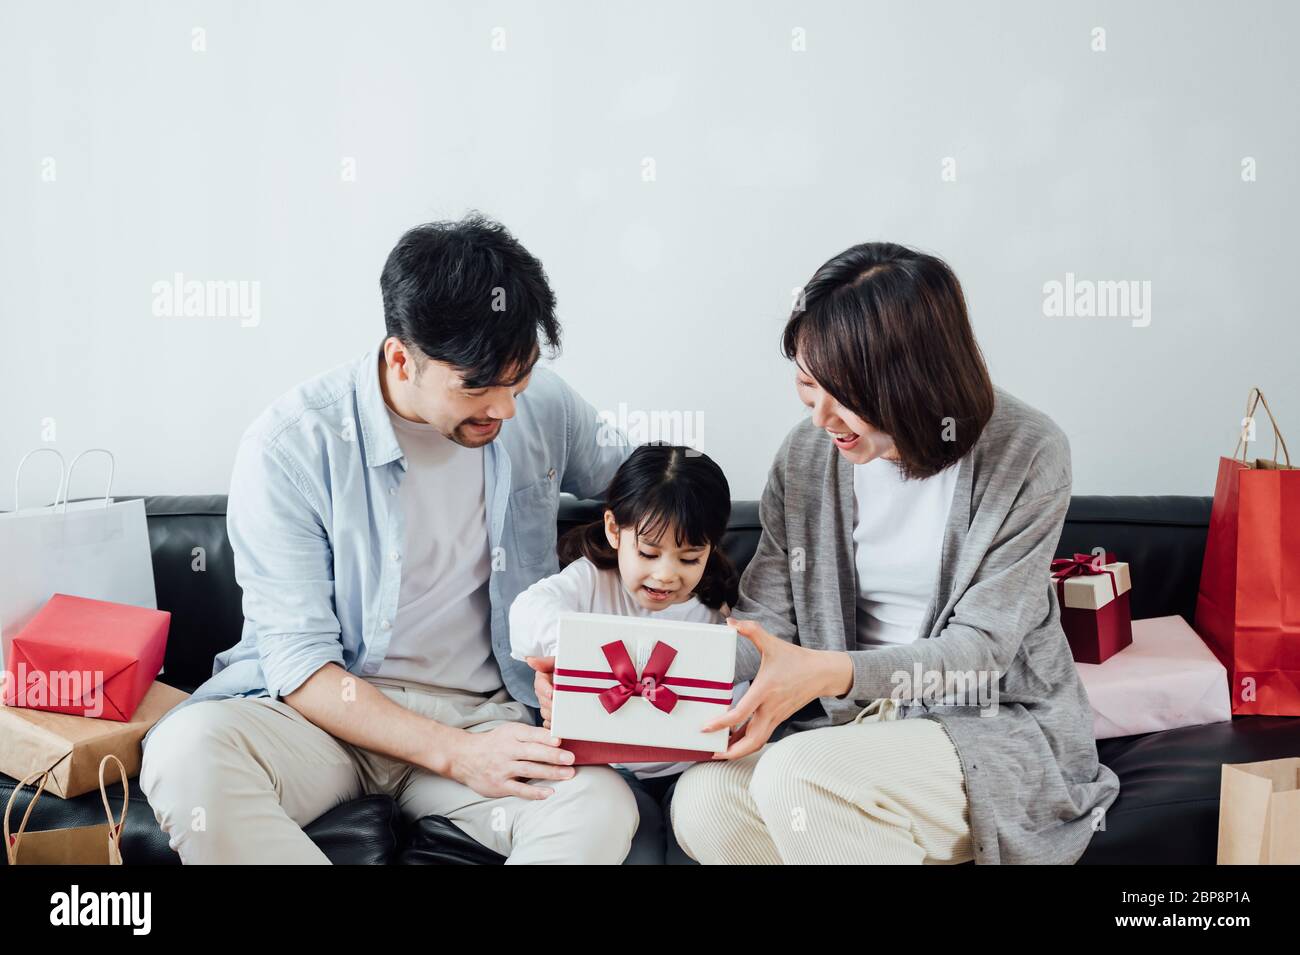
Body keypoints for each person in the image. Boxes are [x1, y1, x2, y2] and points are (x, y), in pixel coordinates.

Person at [140, 214, 638, 864]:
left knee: (599, 804)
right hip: (323, 720)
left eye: (518, 380)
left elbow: (647, 488)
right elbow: (300, 665)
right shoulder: (290, 445)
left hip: (487, 712)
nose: (507, 408)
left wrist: (585, 644)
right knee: (185, 753)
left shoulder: (535, 403)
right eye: (479, 387)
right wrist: (457, 754)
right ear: (402, 357)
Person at [665, 241, 1121, 864]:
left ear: (910, 381)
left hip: (988, 726)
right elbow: (763, 626)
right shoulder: (804, 459)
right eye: (806, 385)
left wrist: (833, 672)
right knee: (705, 799)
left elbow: (982, 650)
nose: (821, 416)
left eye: (843, 393)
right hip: (843, 730)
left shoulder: (1027, 451)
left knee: (799, 775)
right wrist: (639, 674)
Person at [510, 443, 745, 807]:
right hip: (608, 769)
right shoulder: (591, 580)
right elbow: (527, 612)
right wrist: (576, 653)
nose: (665, 575)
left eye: (689, 558)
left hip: (697, 768)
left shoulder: (718, 606)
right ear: (614, 530)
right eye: (648, 554)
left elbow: (744, 681)